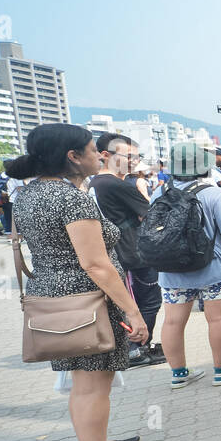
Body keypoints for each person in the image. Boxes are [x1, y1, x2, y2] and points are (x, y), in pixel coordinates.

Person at [6, 124, 154, 441]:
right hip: (87, 296)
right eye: (93, 150)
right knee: (92, 383)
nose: (99, 155)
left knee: (82, 380)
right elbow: (95, 263)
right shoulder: (69, 198)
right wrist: (133, 312)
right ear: (72, 157)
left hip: (55, 295)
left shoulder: (29, 193)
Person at [155, 142, 221, 388]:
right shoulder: (213, 194)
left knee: (172, 322)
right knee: (218, 320)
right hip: (213, 267)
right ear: (204, 168)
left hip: (172, 268)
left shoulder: (160, 193)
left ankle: (179, 374)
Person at [90, 132, 165, 367]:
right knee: (150, 300)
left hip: (114, 252)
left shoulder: (94, 183)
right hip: (133, 252)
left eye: (137, 156)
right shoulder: (114, 183)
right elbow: (151, 216)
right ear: (105, 155)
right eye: (129, 156)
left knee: (126, 302)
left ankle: (134, 346)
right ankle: (137, 348)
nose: (134, 160)